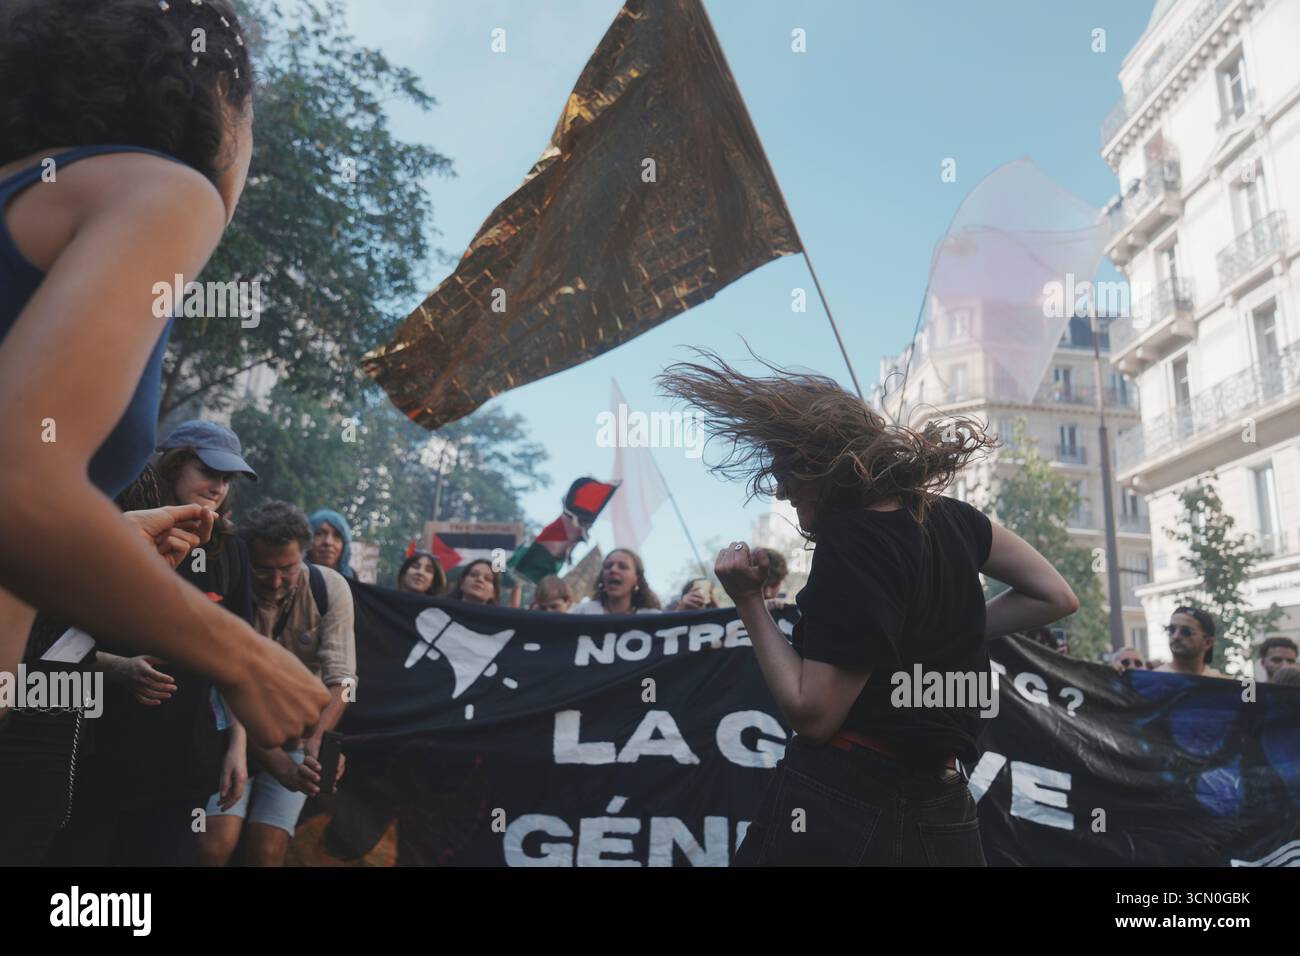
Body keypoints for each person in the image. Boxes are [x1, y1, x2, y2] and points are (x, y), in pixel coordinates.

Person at [0, 0, 327, 751]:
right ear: (219, 102)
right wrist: (247, 659)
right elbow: (17, 483)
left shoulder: (38, 192)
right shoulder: (167, 192)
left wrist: (111, 536)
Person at [657, 349, 1078, 866]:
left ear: (823, 463)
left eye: (786, 467)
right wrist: (942, 629)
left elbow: (814, 714)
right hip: (946, 806)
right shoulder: (956, 519)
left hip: (847, 801)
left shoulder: (852, 538)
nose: (782, 488)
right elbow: (1055, 595)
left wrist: (747, 601)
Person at [45, 431, 257, 866]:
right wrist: (115, 667)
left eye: (228, 477)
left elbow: (239, 658)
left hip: (183, 761)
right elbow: (46, 642)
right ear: (175, 464)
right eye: (209, 472)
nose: (218, 486)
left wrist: (238, 745)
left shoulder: (231, 551)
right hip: (95, 754)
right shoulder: (114, 533)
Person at [203, 501, 357, 867]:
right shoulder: (230, 587)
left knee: (268, 852)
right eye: (263, 570)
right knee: (213, 845)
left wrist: (316, 743)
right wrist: (277, 764)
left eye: (287, 570)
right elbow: (229, 680)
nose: (275, 582)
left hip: (296, 739)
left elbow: (345, 681)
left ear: (303, 554)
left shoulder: (330, 588)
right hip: (230, 735)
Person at [570, 549, 662, 614]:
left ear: (636, 579)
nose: (613, 570)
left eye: (623, 567)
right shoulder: (582, 612)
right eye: (608, 566)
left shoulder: (652, 618)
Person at [1155, 607, 1226, 678]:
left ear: (1208, 642)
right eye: (1172, 630)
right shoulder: (1153, 681)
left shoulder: (1220, 684)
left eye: (1186, 631)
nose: (1175, 636)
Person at [309, 509, 356, 579]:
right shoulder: (293, 580)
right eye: (319, 534)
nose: (328, 542)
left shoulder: (352, 580)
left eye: (337, 536)